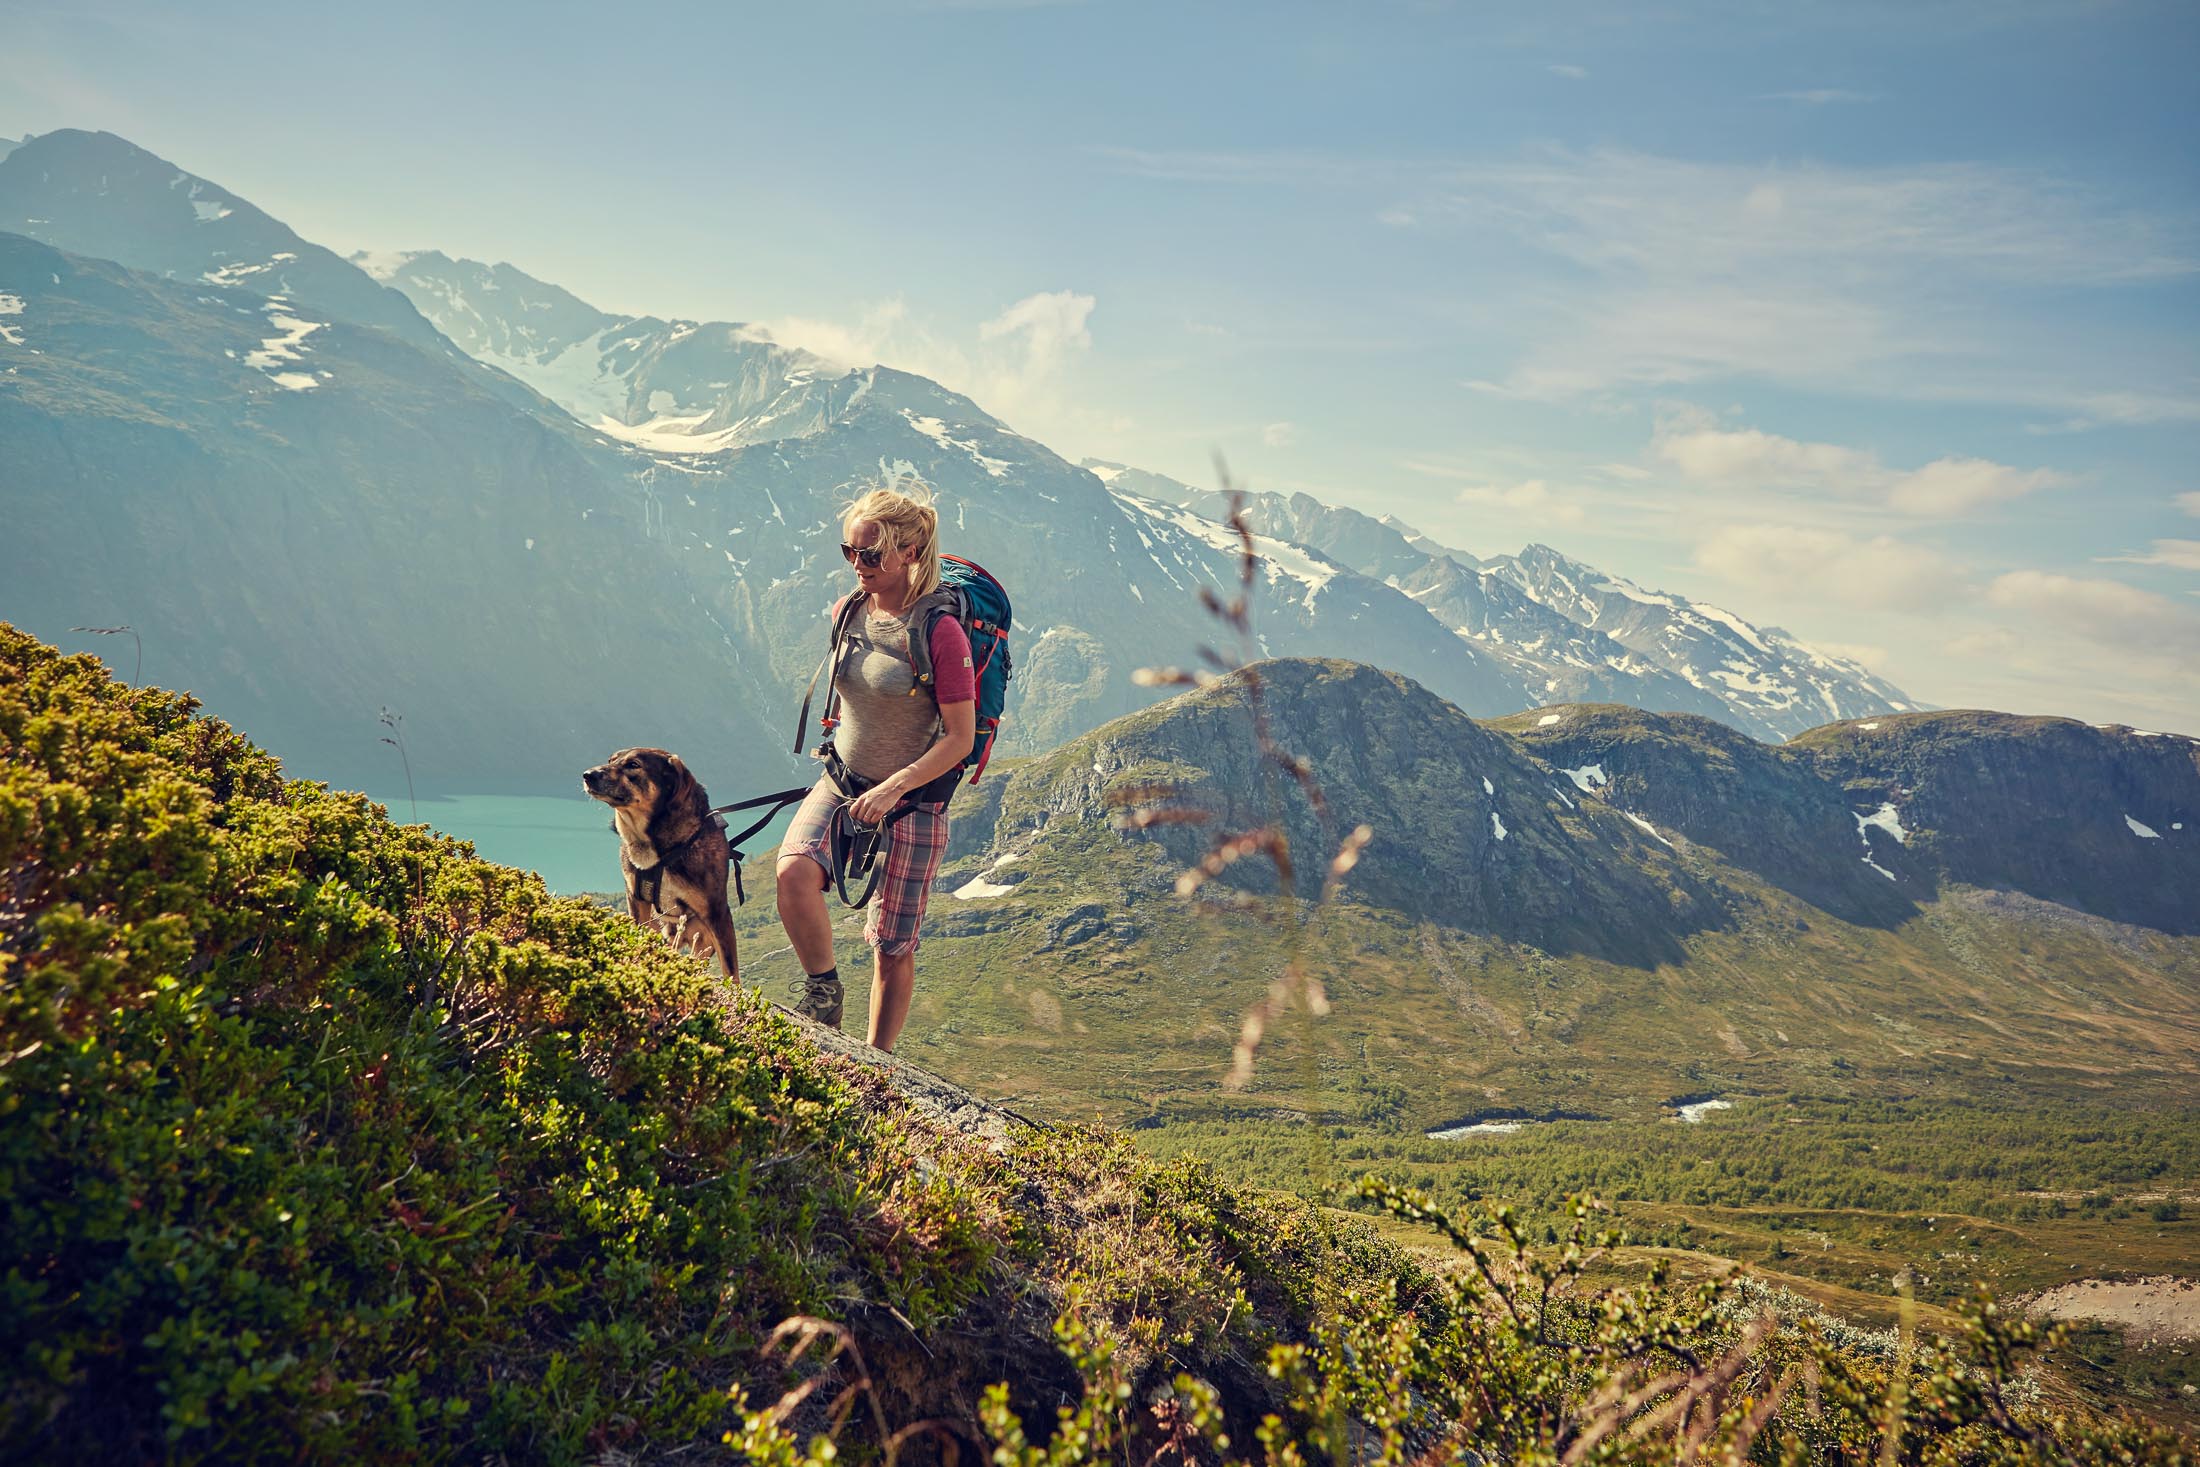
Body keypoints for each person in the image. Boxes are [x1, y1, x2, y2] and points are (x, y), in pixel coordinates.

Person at [775, 482, 976, 1051]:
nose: (857, 565)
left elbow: (960, 738)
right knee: (793, 874)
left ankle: (877, 1064)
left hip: (913, 800)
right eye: (849, 552)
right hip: (843, 778)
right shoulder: (847, 611)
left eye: (871, 555)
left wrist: (893, 788)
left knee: (892, 943)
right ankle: (824, 993)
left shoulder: (941, 631)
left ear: (910, 552)